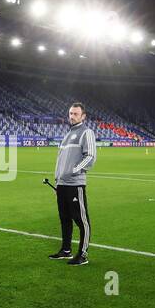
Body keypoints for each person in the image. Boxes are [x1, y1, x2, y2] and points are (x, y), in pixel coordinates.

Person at [49, 102, 97, 266]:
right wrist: (58, 180)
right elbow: (59, 160)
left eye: (76, 114)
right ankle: (66, 250)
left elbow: (90, 156)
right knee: (64, 219)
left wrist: (73, 170)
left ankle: (83, 254)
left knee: (81, 220)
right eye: (70, 113)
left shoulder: (86, 132)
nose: (72, 116)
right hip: (62, 185)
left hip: (75, 184)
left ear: (83, 116)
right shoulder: (66, 135)